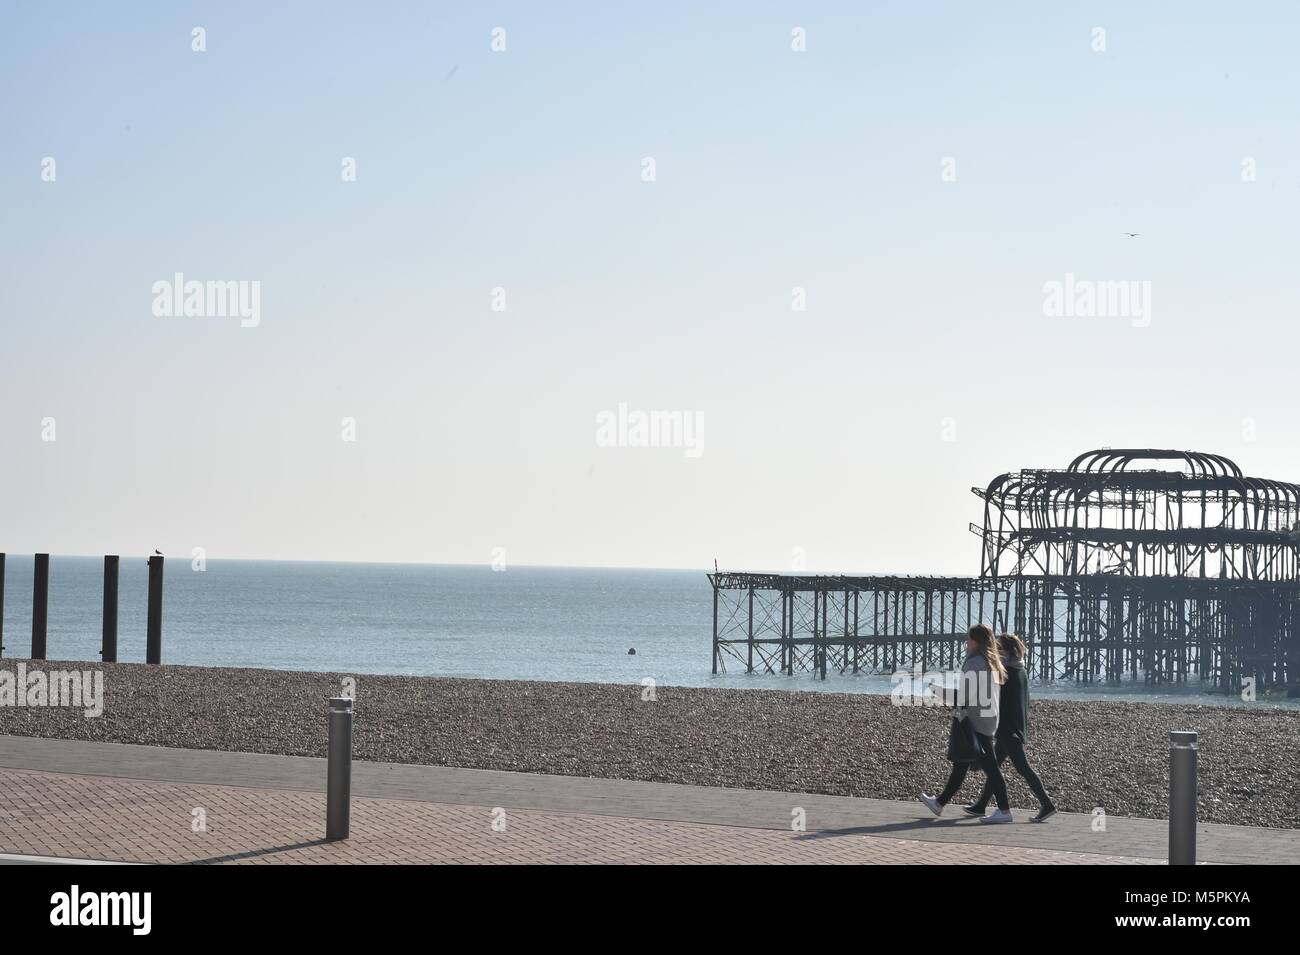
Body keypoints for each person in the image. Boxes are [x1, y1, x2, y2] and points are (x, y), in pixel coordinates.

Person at [919, 624, 1014, 824]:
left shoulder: (975, 662)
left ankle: (1004, 811)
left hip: (977, 720)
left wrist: (937, 690)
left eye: (968, 639)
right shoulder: (992, 661)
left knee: (990, 767)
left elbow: (964, 696)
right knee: (961, 763)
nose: (965, 644)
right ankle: (939, 803)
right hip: (989, 717)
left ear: (975, 641)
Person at [961, 633, 1057, 823]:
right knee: (994, 767)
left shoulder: (1006, 670)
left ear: (1004, 649)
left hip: (1008, 728)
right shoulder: (1019, 668)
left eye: (997, 647)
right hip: (1014, 724)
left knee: (1023, 767)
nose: (995, 650)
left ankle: (1047, 804)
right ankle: (981, 805)